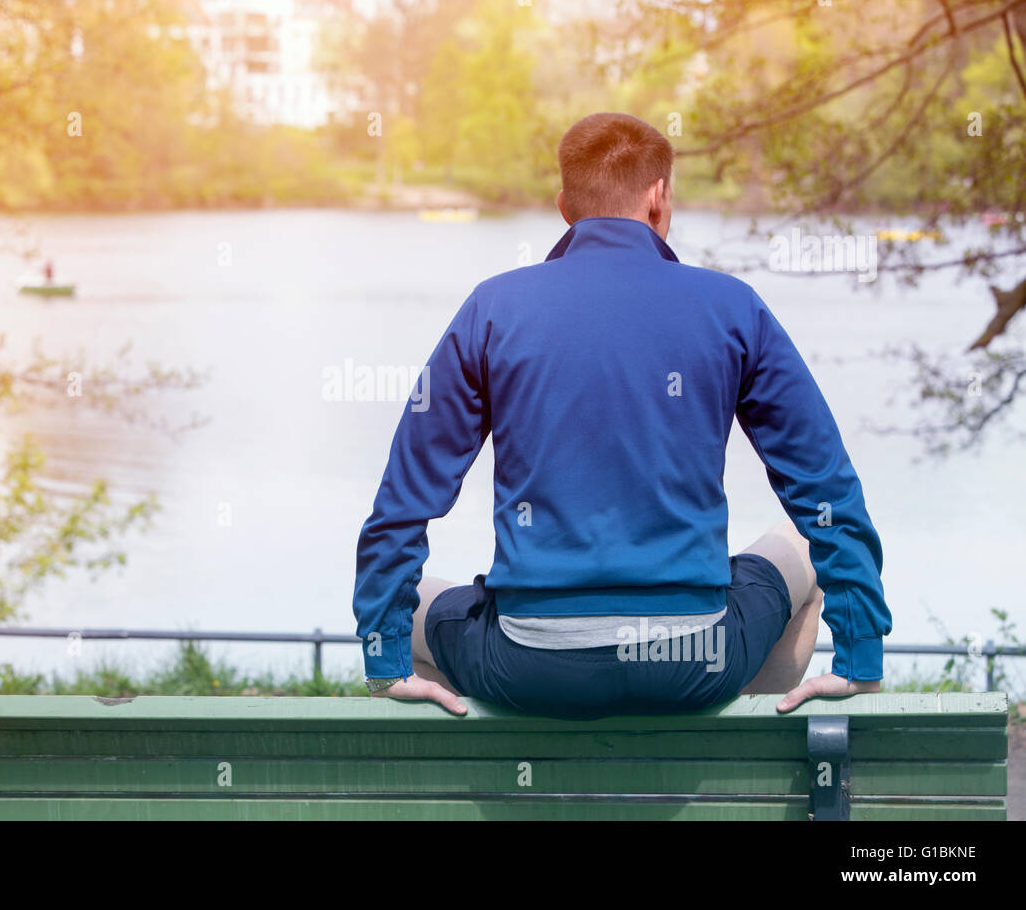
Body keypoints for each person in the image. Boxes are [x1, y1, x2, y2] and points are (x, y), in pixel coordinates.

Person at [351, 112, 891, 719]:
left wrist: (384, 660)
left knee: (417, 599)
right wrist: (860, 655)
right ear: (659, 197)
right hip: (699, 661)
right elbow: (825, 487)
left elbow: (403, 499)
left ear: (563, 205)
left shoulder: (493, 307)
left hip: (531, 665)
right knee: (800, 540)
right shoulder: (733, 306)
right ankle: (739, 766)